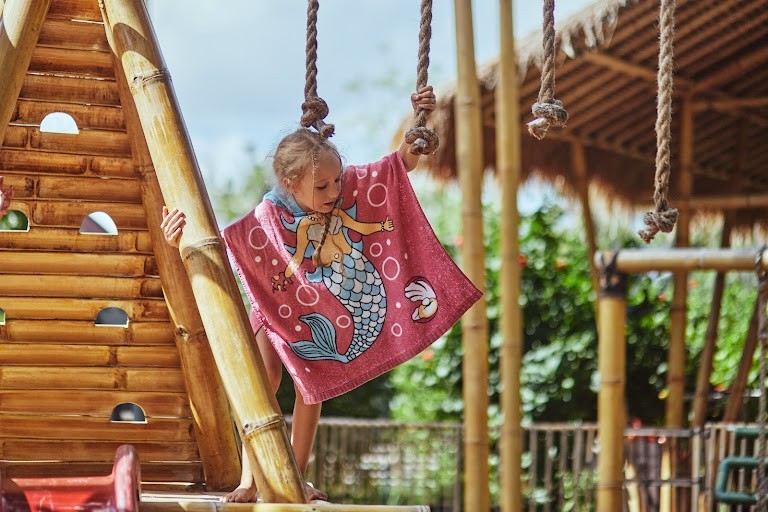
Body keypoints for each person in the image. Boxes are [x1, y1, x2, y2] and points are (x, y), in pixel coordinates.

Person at [161, 86, 481, 503]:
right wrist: (180, 237)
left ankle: (295, 473)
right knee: (264, 379)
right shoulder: (265, 217)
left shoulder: (343, 191)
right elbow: (219, 245)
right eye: (322, 187)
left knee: (312, 378)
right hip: (272, 307)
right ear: (291, 184)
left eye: (336, 181)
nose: (333, 193)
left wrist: (417, 127)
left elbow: (395, 168)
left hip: (320, 310)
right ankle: (251, 477)